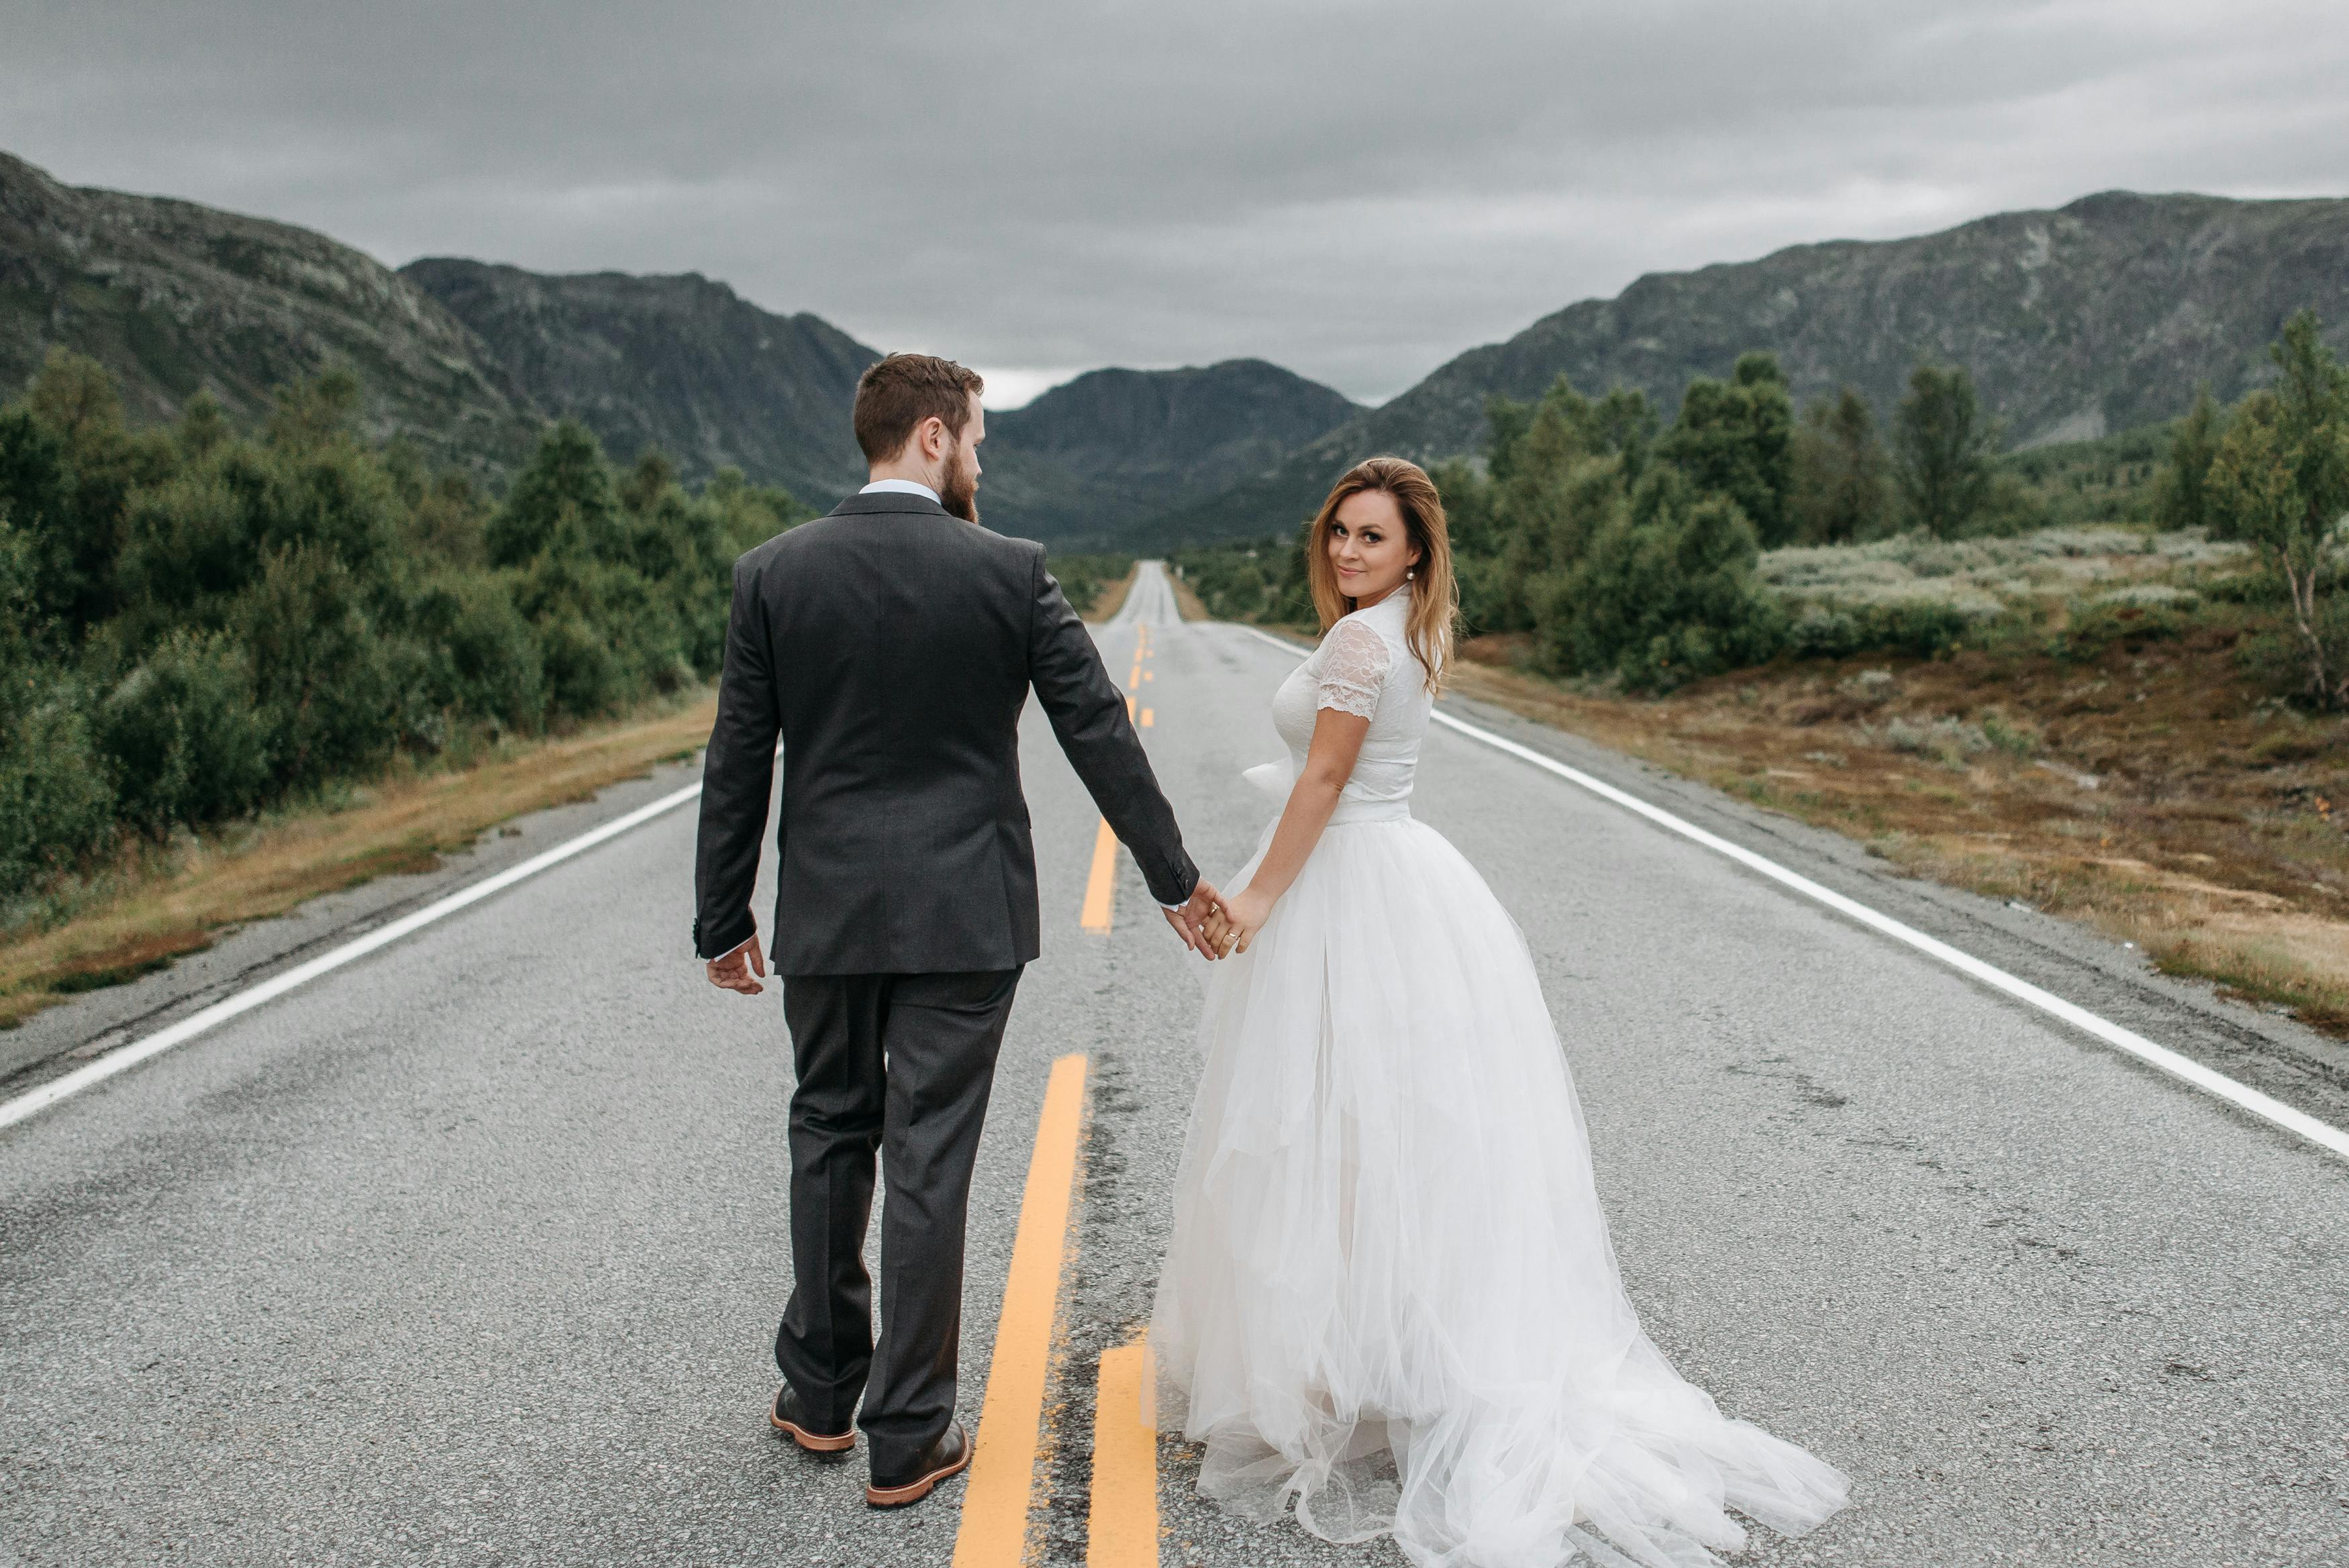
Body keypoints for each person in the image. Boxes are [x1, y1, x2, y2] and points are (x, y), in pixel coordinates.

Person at [1153, 456, 1851, 1568]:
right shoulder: (1405, 631)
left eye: (1372, 536)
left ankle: (1342, 1367)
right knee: (1381, 1136)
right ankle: (1375, 1358)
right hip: (1399, 884)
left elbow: (1323, 783)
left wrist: (1259, 898)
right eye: (1339, 530)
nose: (1347, 550)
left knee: (1331, 1128)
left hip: (1346, 890)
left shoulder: (1361, 641)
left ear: (1414, 553)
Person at [692, 352, 1223, 1509]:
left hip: (829, 912)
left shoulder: (772, 572)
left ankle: (820, 1392)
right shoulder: (1009, 571)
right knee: (928, 1156)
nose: (980, 456)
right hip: (966, 913)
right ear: (932, 435)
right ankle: (910, 1433)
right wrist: (1174, 879)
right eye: (975, 436)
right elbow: (1098, 728)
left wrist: (722, 916)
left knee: (828, 1130)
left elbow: (739, 755)